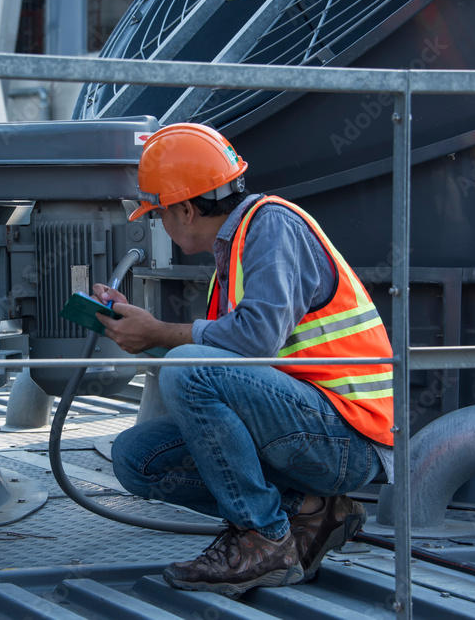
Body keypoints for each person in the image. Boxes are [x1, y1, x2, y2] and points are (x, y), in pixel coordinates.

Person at [91, 123, 395, 597]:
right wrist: (141, 332)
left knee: (190, 366)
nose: (160, 226)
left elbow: (251, 341)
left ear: (186, 210)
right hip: (305, 428)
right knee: (136, 459)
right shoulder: (233, 255)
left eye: (157, 215)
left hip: (348, 439)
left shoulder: (272, 226)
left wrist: (164, 334)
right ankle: (311, 510)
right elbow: (222, 362)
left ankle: (262, 538)